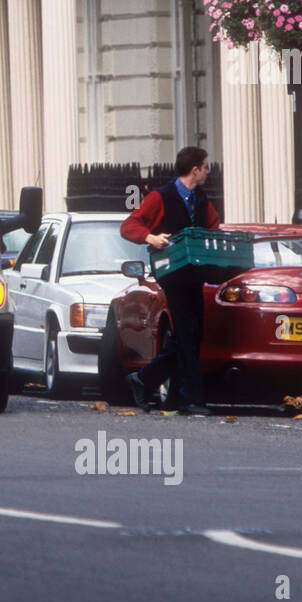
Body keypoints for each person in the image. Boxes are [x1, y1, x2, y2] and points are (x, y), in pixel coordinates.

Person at [119, 146, 221, 415]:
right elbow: (129, 226)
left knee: (190, 334)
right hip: (173, 274)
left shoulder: (201, 199)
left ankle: (145, 380)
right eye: (206, 167)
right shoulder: (160, 197)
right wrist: (151, 237)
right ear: (195, 169)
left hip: (195, 273)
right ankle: (191, 400)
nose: (208, 172)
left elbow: (214, 227)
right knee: (187, 332)